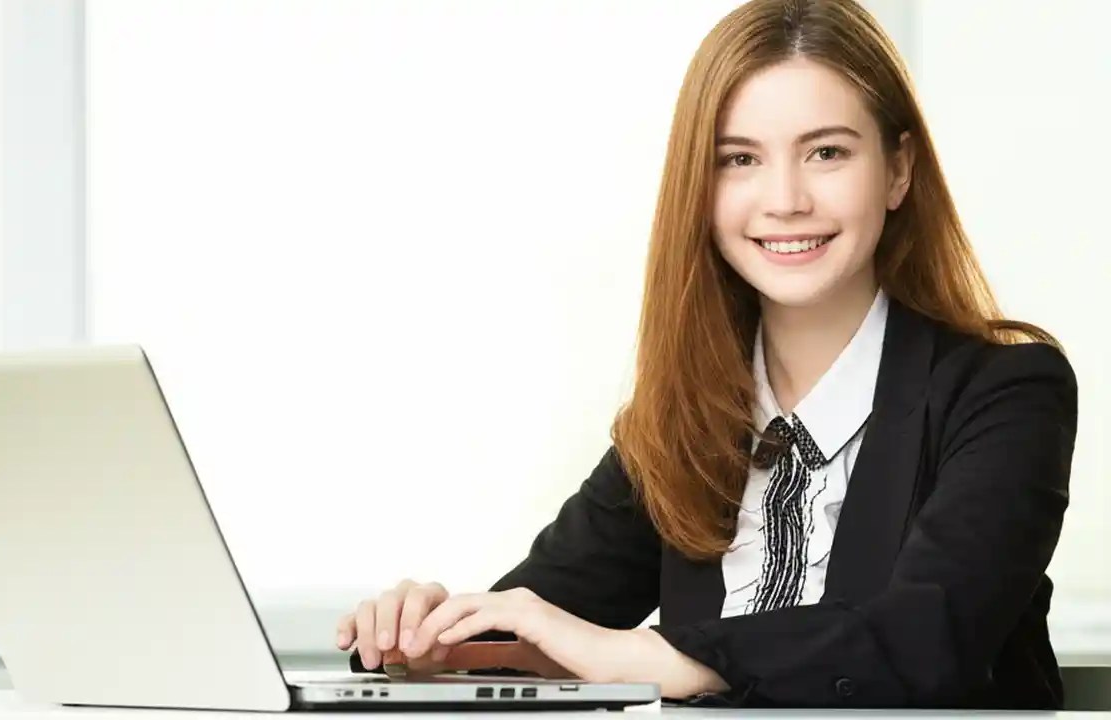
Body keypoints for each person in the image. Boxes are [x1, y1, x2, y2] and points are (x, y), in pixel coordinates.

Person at [334, 0, 1078, 709]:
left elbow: (927, 642)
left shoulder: (1008, 392)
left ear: (897, 170)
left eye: (826, 152)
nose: (784, 199)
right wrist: (431, 643)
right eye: (738, 159)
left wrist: (649, 657)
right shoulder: (682, 417)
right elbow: (538, 621)